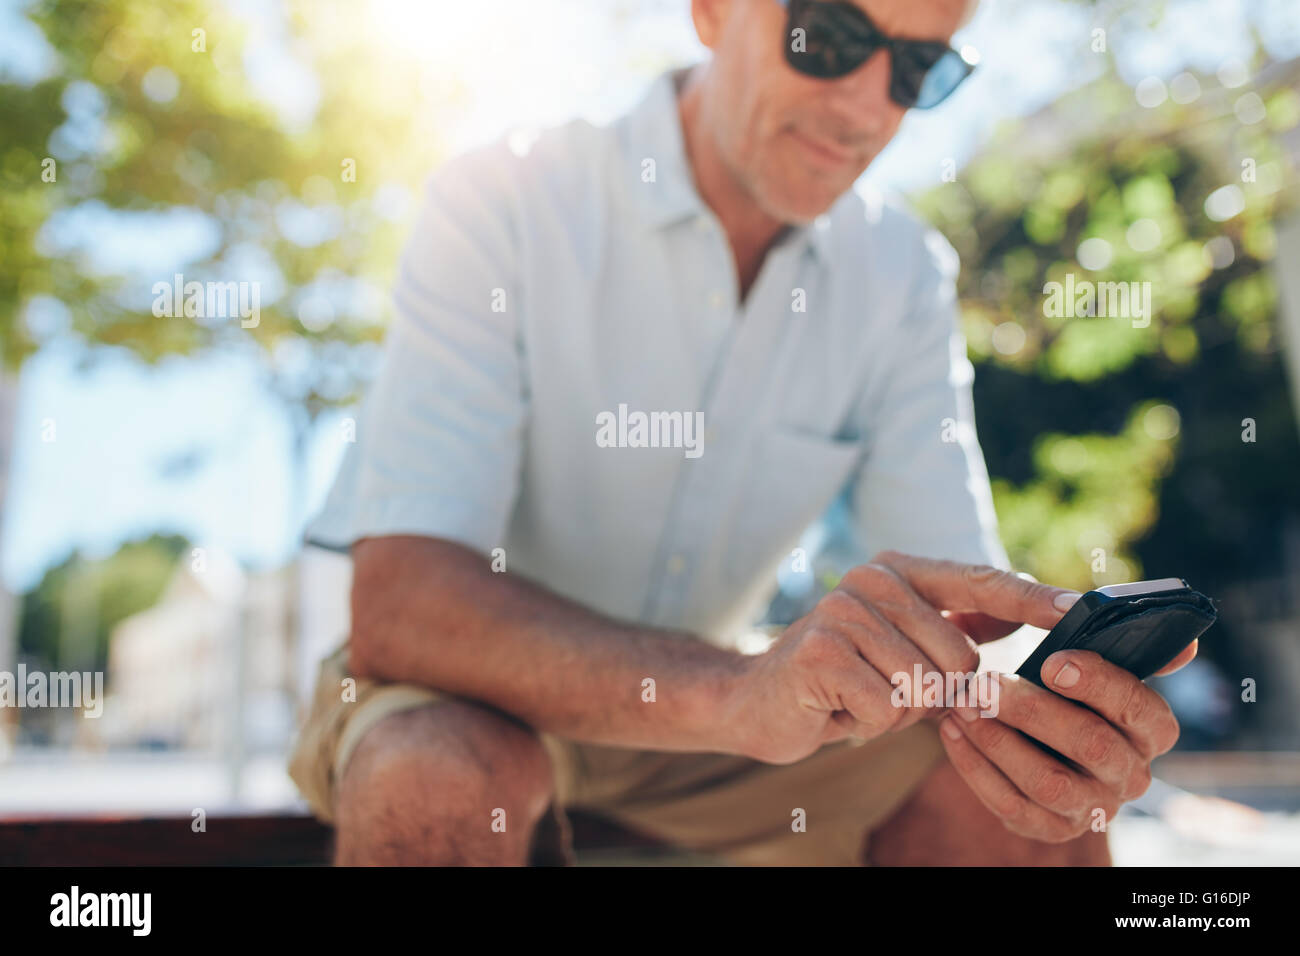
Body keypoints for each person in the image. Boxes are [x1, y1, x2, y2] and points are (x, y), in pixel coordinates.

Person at [288, 0, 1195, 865]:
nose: (867, 105)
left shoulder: (900, 276)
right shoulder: (504, 200)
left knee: (1013, 791)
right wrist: (733, 693)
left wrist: (1047, 705)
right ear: (711, 11)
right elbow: (405, 609)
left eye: (920, 68)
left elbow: (956, 616)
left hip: (723, 717)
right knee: (433, 773)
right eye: (829, 34)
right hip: (475, 695)